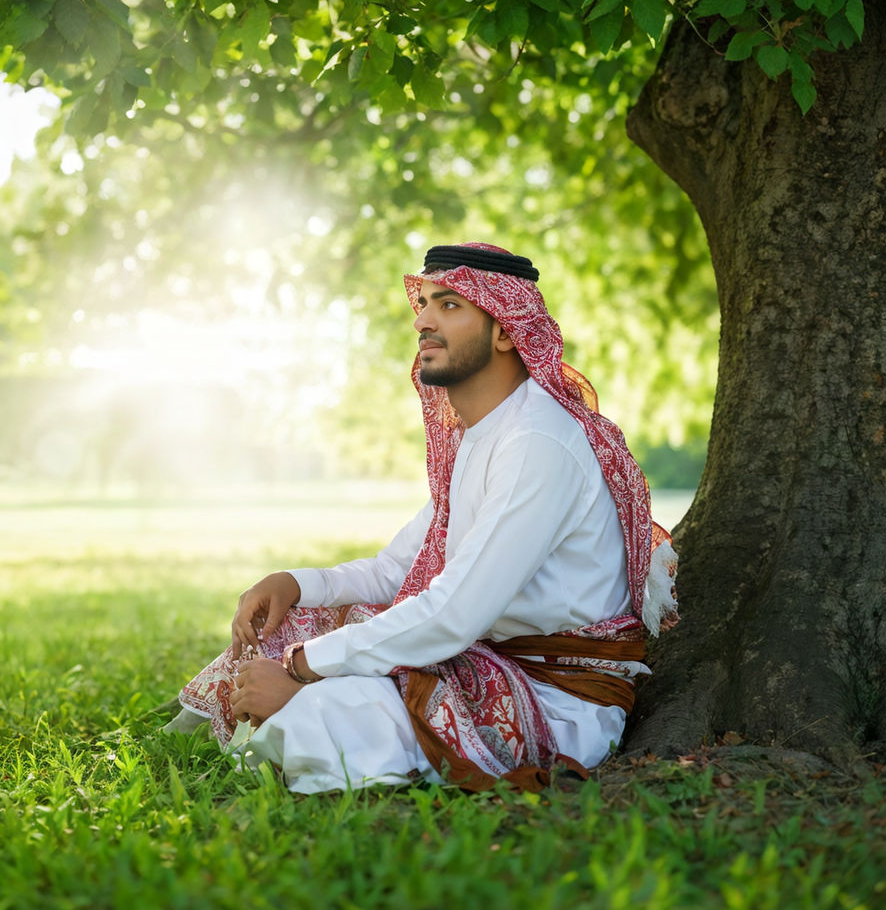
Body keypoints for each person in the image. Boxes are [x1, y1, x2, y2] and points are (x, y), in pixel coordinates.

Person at [164, 242, 678, 793]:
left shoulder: (537, 444)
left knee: (323, 688)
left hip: (553, 699)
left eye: (450, 305)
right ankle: (197, 731)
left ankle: (296, 715)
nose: (422, 321)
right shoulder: (481, 437)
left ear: (506, 330)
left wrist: (301, 671)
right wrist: (296, 583)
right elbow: (396, 571)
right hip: (481, 661)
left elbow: (452, 614)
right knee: (297, 618)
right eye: (425, 302)